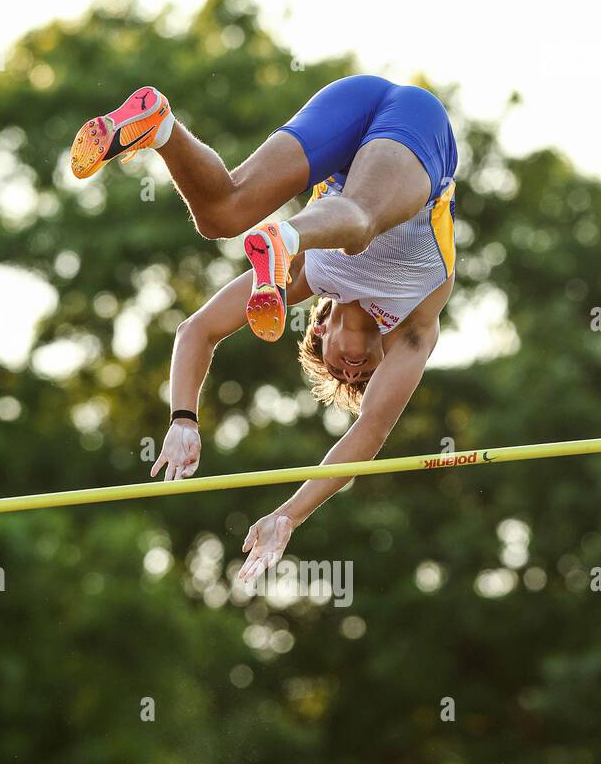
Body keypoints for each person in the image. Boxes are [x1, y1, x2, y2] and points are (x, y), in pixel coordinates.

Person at [70, 76, 458, 581]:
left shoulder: (301, 279)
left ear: (318, 336)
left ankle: (161, 128)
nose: (359, 374)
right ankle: (281, 229)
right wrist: (289, 518)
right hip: (416, 123)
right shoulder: (416, 323)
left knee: (220, 216)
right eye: (364, 380)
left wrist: (182, 419)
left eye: (344, 376)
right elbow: (370, 431)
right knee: (357, 225)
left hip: (352, 131)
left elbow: (197, 330)